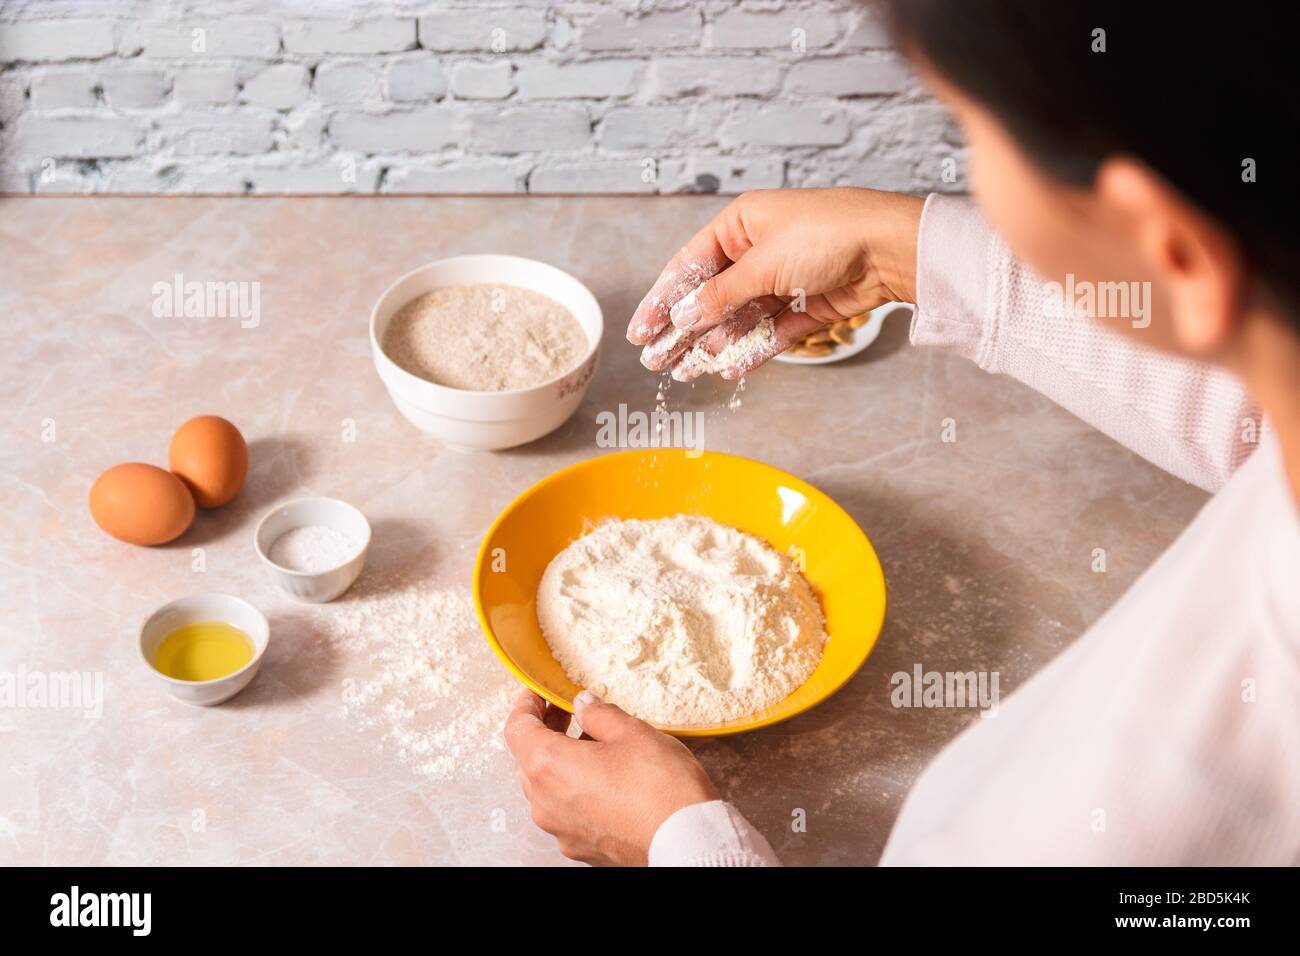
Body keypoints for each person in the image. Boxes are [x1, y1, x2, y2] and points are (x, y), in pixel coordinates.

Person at [504, 1, 1300, 865]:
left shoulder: (1157, 816)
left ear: (1173, 249)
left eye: (971, 130)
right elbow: (1257, 404)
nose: (970, 169)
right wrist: (902, 253)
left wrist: (680, 843)